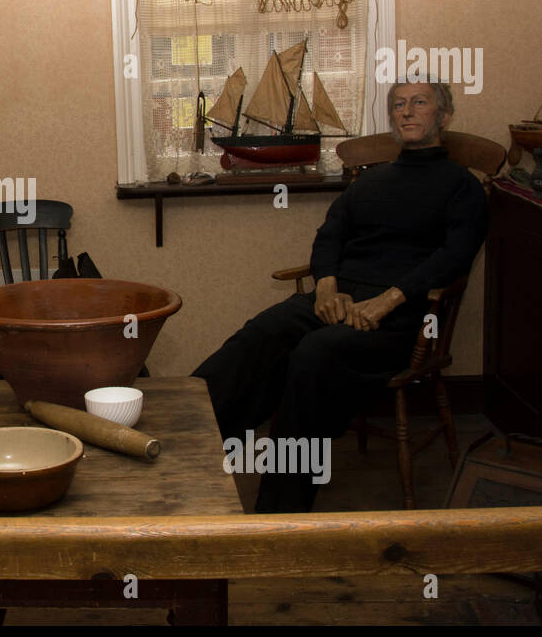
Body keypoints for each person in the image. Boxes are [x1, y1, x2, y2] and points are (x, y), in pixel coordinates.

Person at [192, 79, 488, 512]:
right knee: (262, 334)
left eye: (419, 103)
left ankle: (281, 511)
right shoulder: (371, 182)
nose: (406, 112)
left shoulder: (463, 188)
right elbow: (330, 235)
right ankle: (189, 440)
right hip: (340, 300)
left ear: (443, 117)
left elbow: (454, 258)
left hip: (403, 316)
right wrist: (326, 286)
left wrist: (388, 300)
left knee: (314, 355)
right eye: (399, 105)